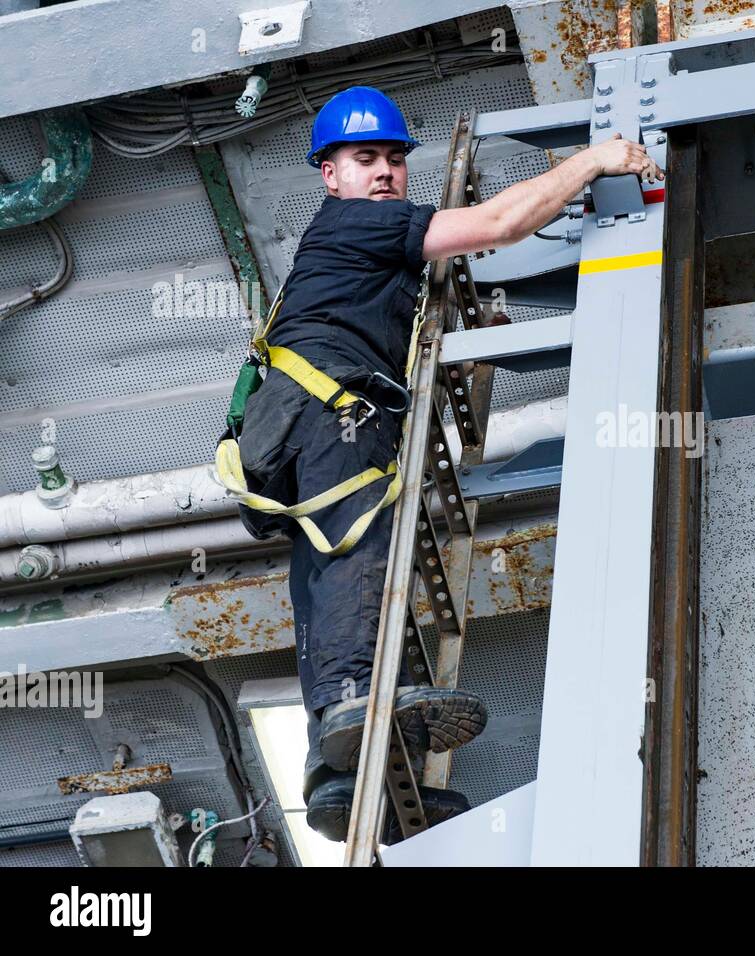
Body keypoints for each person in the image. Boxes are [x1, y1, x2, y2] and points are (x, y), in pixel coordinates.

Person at [230, 86, 664, 841]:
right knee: (360, 554)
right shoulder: (361, 223)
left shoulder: (347, 245)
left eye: (395, 160)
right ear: (328, 175)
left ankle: (335, 770)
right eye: (365, 159)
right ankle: (348, 704)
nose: (385, 172)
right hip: (333, 409)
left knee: (327, 571)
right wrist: (593, 161)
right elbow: (496, 224)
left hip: (297, 419)